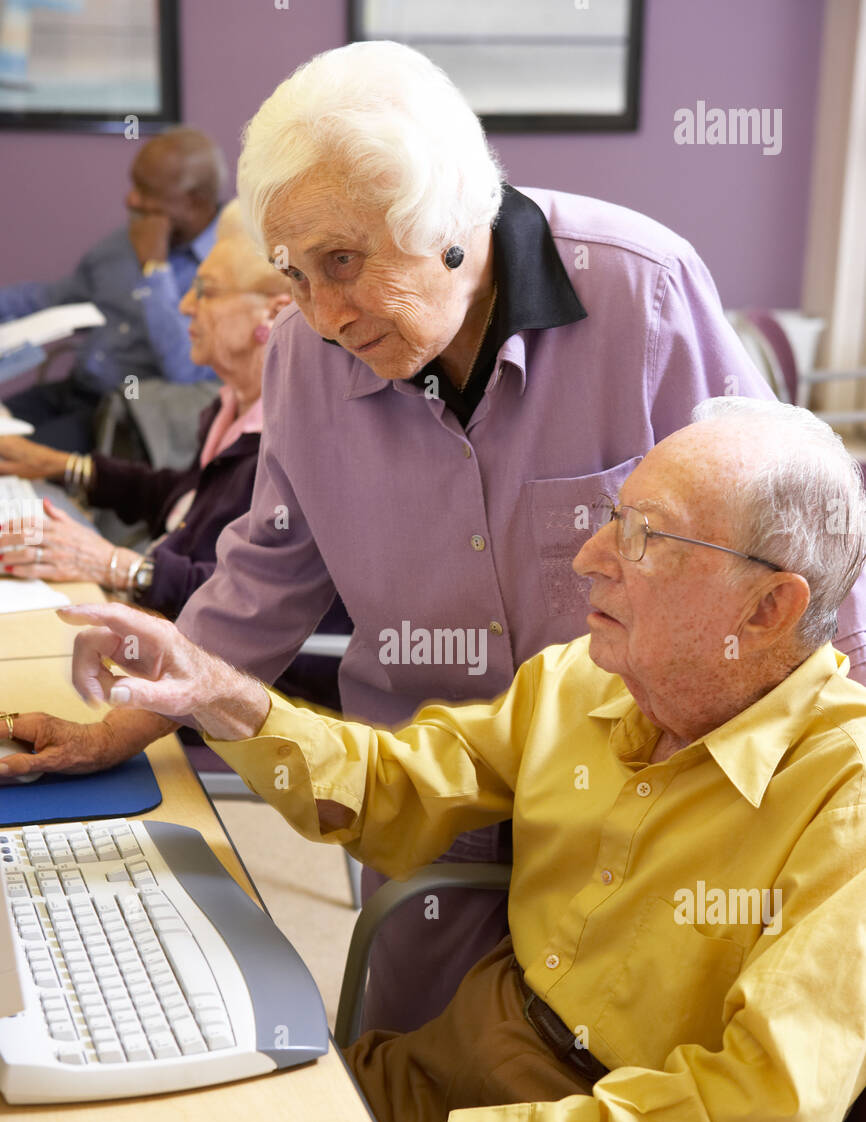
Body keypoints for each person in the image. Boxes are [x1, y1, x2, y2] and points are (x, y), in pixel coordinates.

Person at [0, 41, 846, 1036]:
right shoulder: (308, 358)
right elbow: (264, 575)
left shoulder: (644, 292)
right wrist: (121, 728)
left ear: (450, 219)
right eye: (292, 274)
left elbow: (797, 553)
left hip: (643, 814)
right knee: (403, 1076)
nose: (317, 314)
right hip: (423, 798)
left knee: (616, 1094)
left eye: (342, 265)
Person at [36, 397, 866, 1122]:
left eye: (647, 538)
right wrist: (210, 691)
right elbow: (393, 787)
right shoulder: (581, 682)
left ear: (770, 605)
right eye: (612, 520)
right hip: (459, 1069)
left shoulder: (843, 800)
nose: (591, 559)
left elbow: (759, 1112)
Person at [0, 228, 351, 709]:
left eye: (205, 291)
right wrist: (65, 466)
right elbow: (184, 499)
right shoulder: (230, 410)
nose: (184, 305)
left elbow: (252, 597)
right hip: (163, 636)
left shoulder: (295, 439)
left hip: (209, 673)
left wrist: (117, 566)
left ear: (271, 312)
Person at [0, 128, 226, 452]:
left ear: (195, 201)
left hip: (125, 417)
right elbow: (48, 299)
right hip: (71, 390)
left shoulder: (229, 265)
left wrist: (154, 269)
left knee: (9, 460)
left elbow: (186, 369)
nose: (130, 200)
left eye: (147, 190)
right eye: (134, 184)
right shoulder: (120, 245)